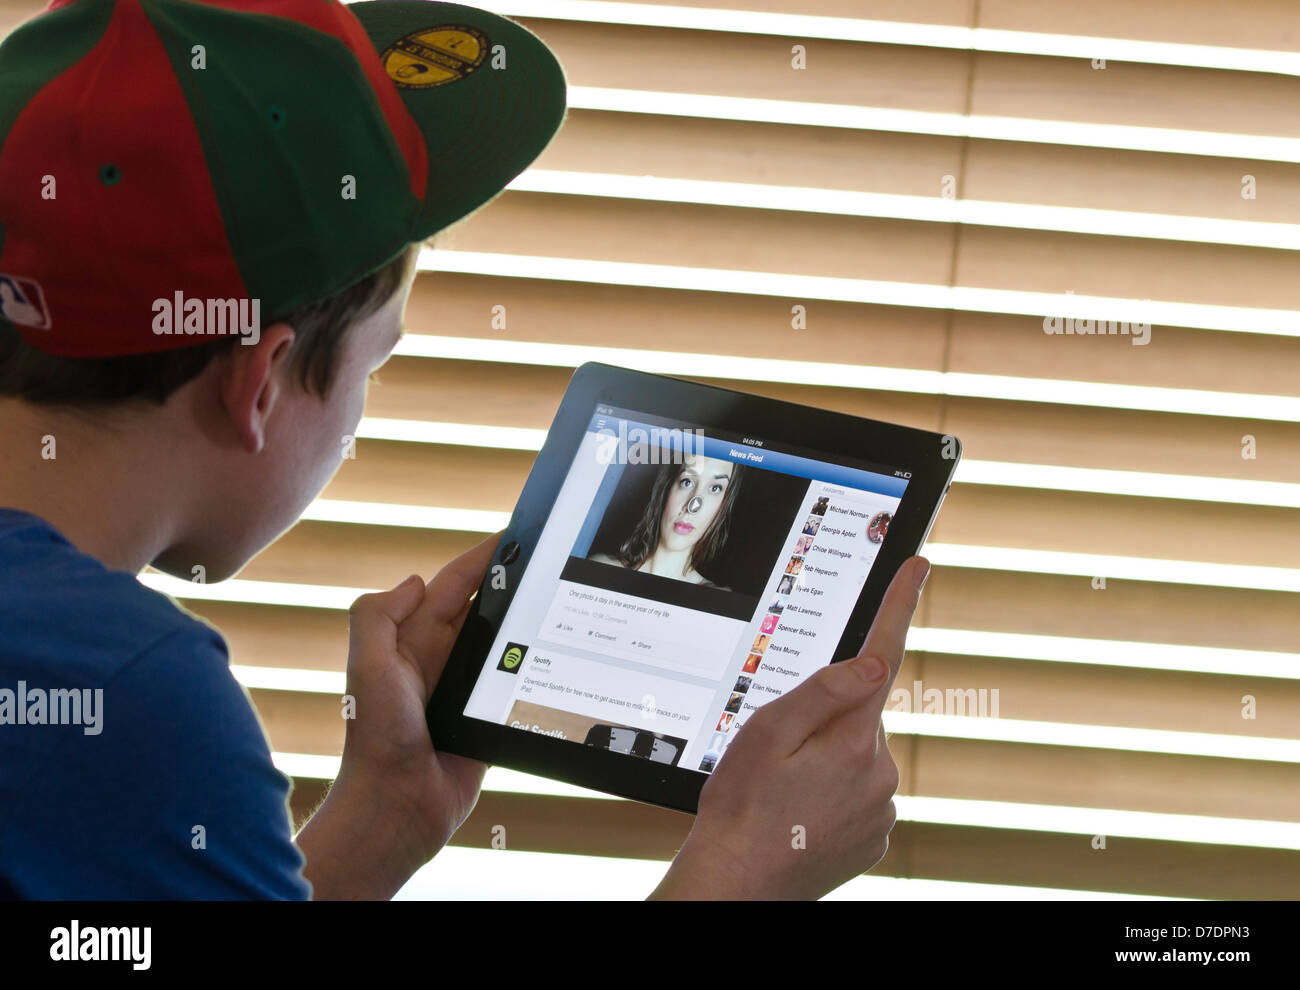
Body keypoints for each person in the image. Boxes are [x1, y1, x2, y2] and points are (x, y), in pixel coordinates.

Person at [0, 0, 929, 900]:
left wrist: (383, 820)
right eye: (377, 363)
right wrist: (743, 875)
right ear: (263, 384)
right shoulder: (124, 702)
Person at [590, 453, 741, 588]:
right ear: (667, 487)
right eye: (687, 482)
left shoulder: (715, 601)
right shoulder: (600, 568)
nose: (692, 507)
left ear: (723, 506)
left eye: (715, 488)